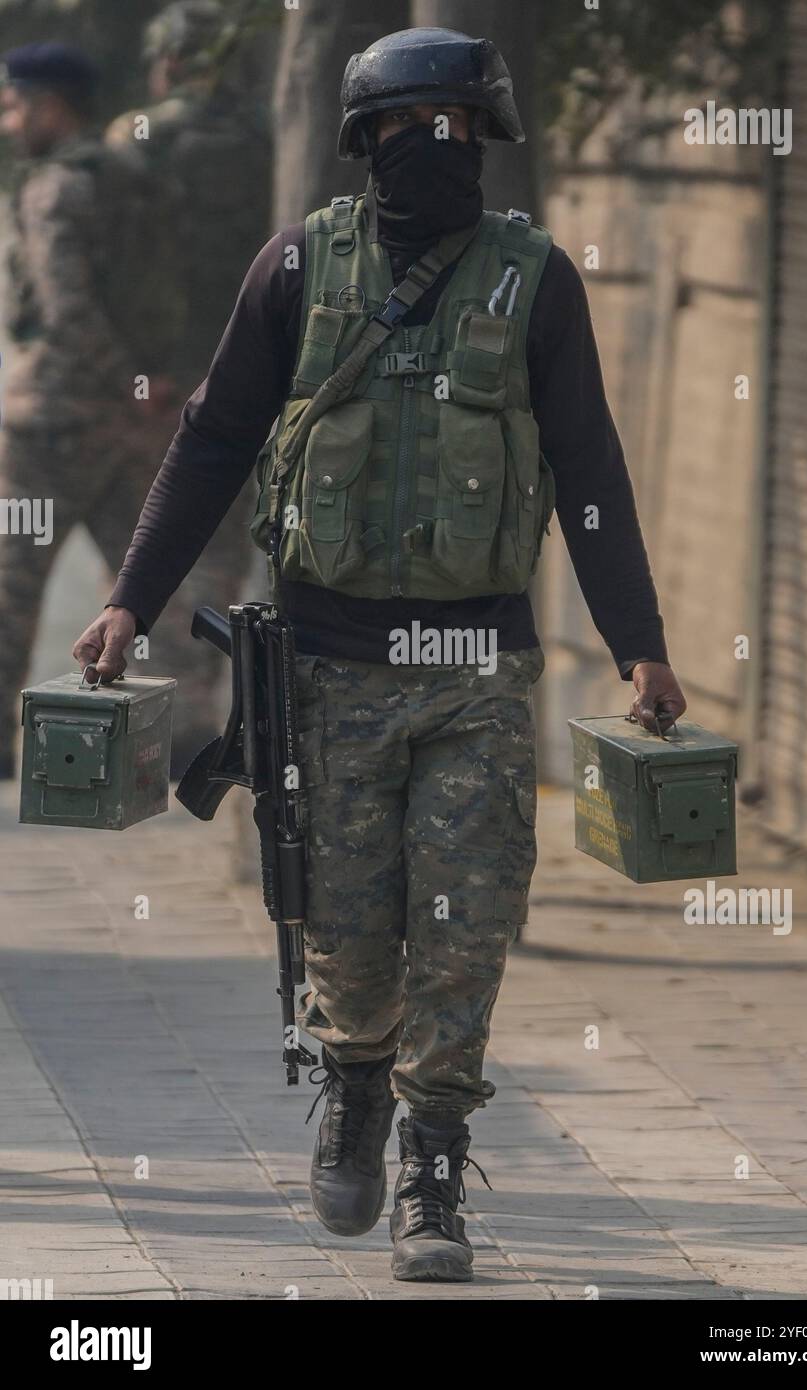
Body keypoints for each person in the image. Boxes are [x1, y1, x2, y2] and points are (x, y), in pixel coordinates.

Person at [73, 27, 686, 1283]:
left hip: (477, 670)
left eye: (463, 129)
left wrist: (643, 647)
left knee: (464, 920)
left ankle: (433, 1163)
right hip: (328, 668)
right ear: (373, 141)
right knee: (351, 930)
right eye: (420, 129)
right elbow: (212, 440)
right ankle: (354, 1082)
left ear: (485, 139)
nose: (442, 150)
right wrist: (131, 599)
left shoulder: (534, 281)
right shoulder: (299, 264)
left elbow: (589, 470)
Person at [105, 0, 273, 771]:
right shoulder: (269, 138)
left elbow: (117, 267)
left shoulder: (140, 139)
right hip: (253, 372)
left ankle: (153, 723)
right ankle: (203, 719)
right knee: (224, 554)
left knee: (155, 534)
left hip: (158, 383)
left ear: (167, 60)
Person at [0, 42, 169, 778]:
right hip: (139, 426)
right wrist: (149, 387)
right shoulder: (136, 176)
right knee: (149, 588)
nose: (7, 126)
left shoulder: (53, 187)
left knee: (8, 593)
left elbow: (66, 310)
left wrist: (122, 377)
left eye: (11, 107)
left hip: (50, 426)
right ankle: (172, 750)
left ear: (48, 105)